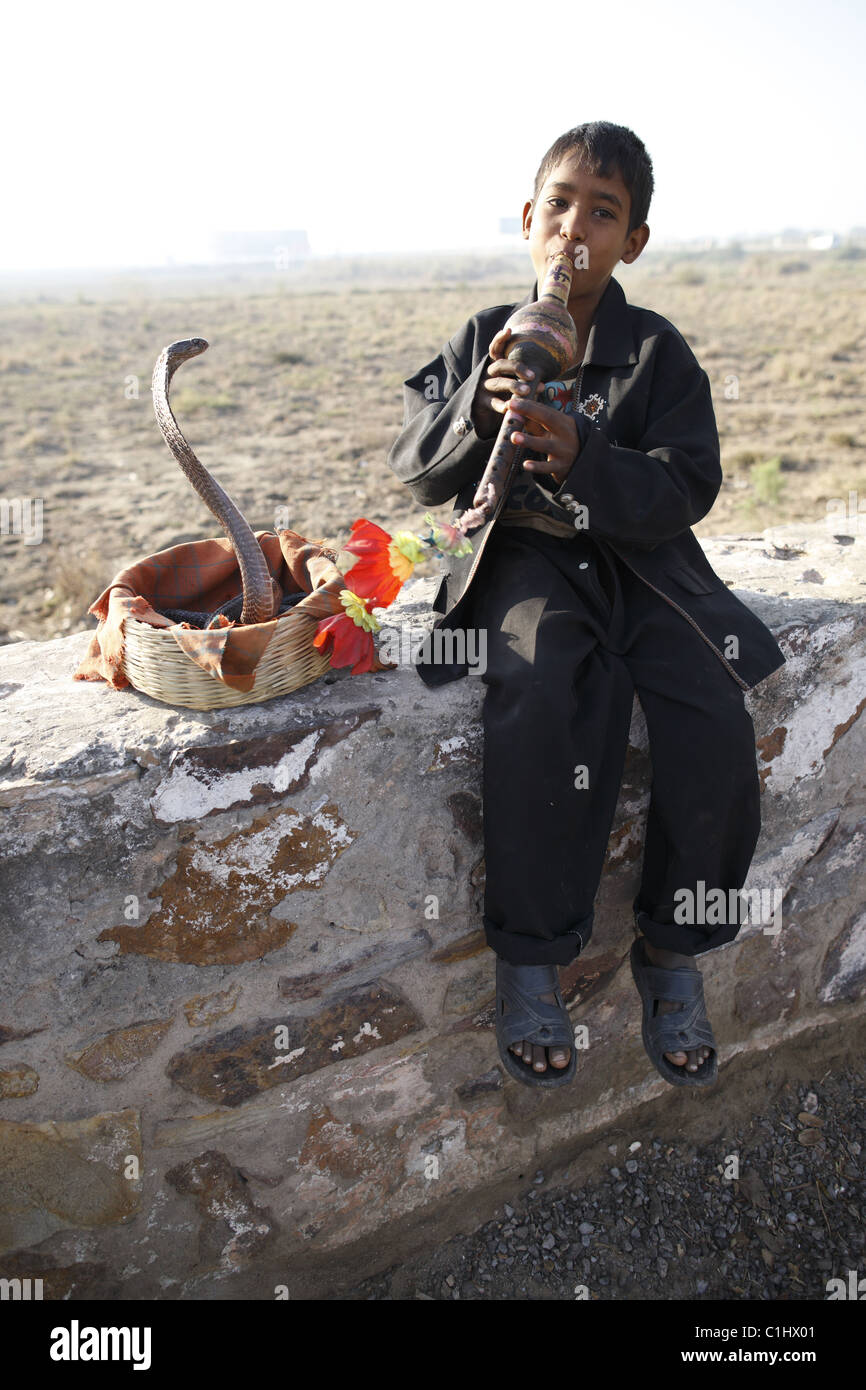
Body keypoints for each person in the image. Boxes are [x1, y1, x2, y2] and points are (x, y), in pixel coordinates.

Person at [386, 121, 787, 1089]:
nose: (575, 229)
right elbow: (416, 467)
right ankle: (531, 957)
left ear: (632, 242)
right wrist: (475, 412)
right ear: (528, 218)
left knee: (711, 715)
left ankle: (674, 949)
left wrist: (587, 458)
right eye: (560, 205)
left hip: (641, 563)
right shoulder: (485, 334)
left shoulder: (654, 350)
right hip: (526, 562)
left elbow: (688, 483)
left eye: (602, 214)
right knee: (542, 695)